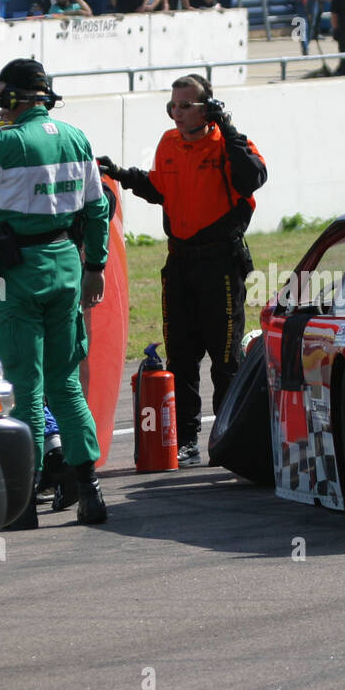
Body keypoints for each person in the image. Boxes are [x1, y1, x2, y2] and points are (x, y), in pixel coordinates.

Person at [0, 59, 111, 527]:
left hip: (16, 273)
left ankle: (25, 501)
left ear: (10, 98)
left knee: (25, 386)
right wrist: (96, 266)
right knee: (66, 382)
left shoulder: (5, 143)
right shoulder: (76, 137)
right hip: (67, 265)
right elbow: (98, 208)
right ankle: (90, 489)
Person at [96, 75, 266, 468]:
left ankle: (227, 439)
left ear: (206, 108)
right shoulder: (168, 143)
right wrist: (120, 173)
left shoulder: (228, 143)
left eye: (185, 105)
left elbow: (252, 177)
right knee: (181, 355)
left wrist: (228, 127)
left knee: (225, 358)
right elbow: (160, 189)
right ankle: (187, 439)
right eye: (173, 105)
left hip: (221, 264)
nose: (177, 113)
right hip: (180, 262)